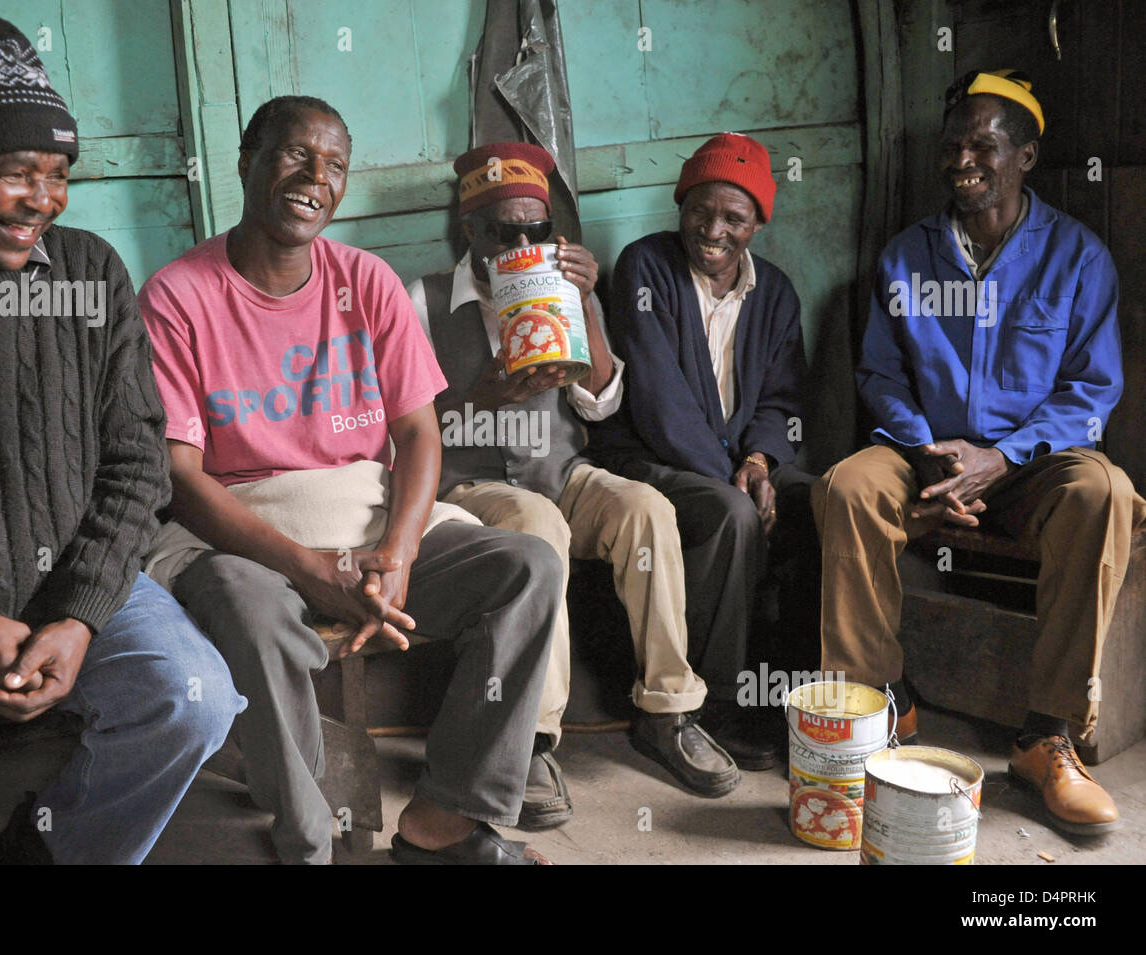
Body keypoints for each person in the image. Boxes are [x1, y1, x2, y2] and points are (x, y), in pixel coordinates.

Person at [0, 15, 244, 865]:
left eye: (59, 174)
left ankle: (52, 853)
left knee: (195, 695)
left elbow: (138, 466)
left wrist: (81, 616)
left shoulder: (91, 272)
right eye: (15, 171)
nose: (44, 199)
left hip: (70, 585)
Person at [139, 96, 560, 865]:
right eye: (297, 155)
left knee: (527, 566)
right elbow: (180, 477)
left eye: (334, 165)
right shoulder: (179, 296)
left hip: (364, 521)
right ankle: (308, 840)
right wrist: (308, 570)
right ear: (246, 161)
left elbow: (416, 431)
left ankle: (447, 823)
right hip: (246, 530)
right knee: (248, 609)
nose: (316, 178)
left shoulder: (365, 281)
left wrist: (397, 552)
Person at [812, 69, 1145, 834]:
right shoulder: (905, 257)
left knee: (1105, 492)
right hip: (924, 459)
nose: (964, 159)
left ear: (1025, 156)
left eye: (984, 145)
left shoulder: (1077, 257)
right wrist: (927, 447)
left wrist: (1007, 454)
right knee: (846, 487)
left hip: (1030, 467)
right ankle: (881, 706)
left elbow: (1091, 393)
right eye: (954, 144)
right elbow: (880, 372)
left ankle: (1046, 735)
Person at [407, 142, 735, 819]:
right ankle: (533, 735)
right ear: (470, 232)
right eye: (505, 232)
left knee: (645, 506)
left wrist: (584, 304)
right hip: (471, 487)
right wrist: (481, 395)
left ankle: (667, 710)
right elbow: (401, 428)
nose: (524, 244)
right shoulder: (422, 300)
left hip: (562, 469)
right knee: (537, 526)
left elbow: (603, 402)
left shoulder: (563, 285)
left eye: (538, 230)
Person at [589, 133, 810, 758]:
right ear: (680, 207)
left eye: (733, 218)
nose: (712, 229)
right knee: (732, 512)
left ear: (757, 225)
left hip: (739, 461)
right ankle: (711, 706)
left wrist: (761, 462)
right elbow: (660, 406)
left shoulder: (776, 293)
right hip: (648, 457)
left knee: (818, 501)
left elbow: (784, 402)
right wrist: (735, 478)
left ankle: (798, 687)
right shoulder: (645, 268)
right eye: (698, 211)